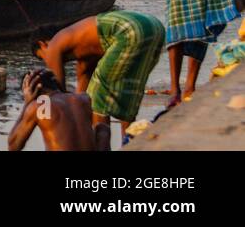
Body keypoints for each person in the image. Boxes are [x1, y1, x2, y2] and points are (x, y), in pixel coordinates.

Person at [33, 10, 165, 143]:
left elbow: (58, 95)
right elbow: (82, 95)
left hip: (128, 30)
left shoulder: (54, 45)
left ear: (42, 44)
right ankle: (130, 143)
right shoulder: (83, 47)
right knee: (128, 88)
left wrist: (38, 111)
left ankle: (102, 146)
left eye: (41, 57)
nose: (47, 61)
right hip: (154, 27)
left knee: (97, 95)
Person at [7, 68, 108, 151]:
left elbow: (13, 146)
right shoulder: (83, 98)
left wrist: (27, 104)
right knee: (103, 129)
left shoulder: (38, 106)